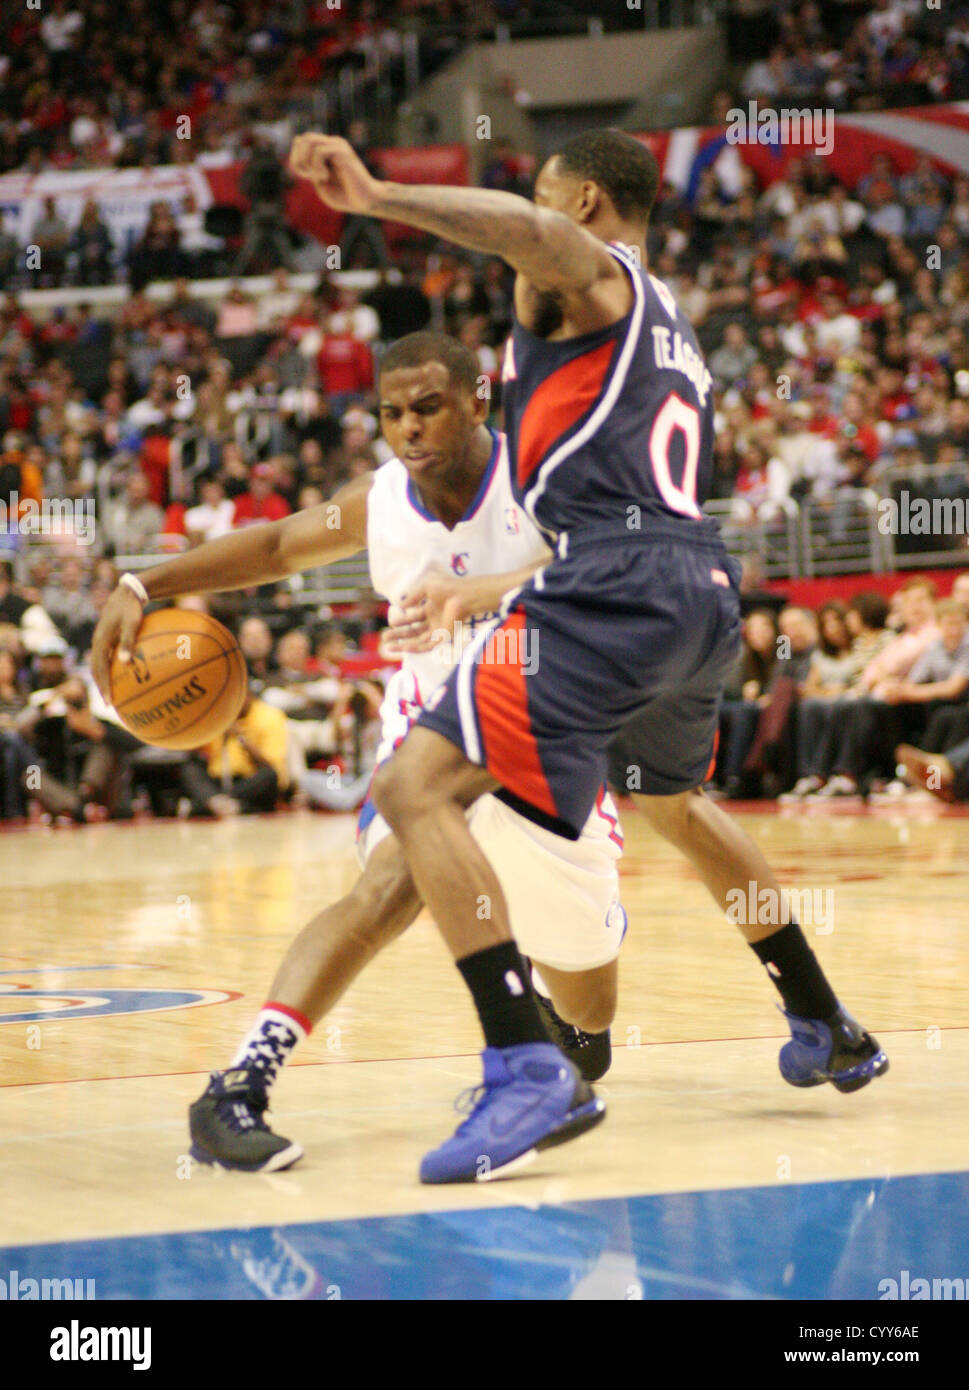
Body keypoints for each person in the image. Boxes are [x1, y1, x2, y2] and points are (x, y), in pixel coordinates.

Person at [286, 127, 888, 1184]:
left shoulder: (595, 277)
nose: (531, 226)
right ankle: (823, 1016)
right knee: (675, 805)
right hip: (699, 586)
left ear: (592, 208)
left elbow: (526, 232)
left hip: (612, 583)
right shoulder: (674, 327)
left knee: (412, 784)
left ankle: (527, 1064)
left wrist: (380, 195)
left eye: (549, 199)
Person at [90, 333, 626, 1172]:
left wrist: (482, 597)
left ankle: (555, 1052)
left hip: (544, 730)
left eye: (428, 407)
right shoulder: (379, 501)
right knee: (386, 885)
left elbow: (616, 571)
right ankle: (238, 1085)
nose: (407, 428)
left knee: (589, 1009)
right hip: (433, 729)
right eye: (391, 413)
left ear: (477, 400)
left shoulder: (543, 476)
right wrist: (140, 585)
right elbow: (273, 548)